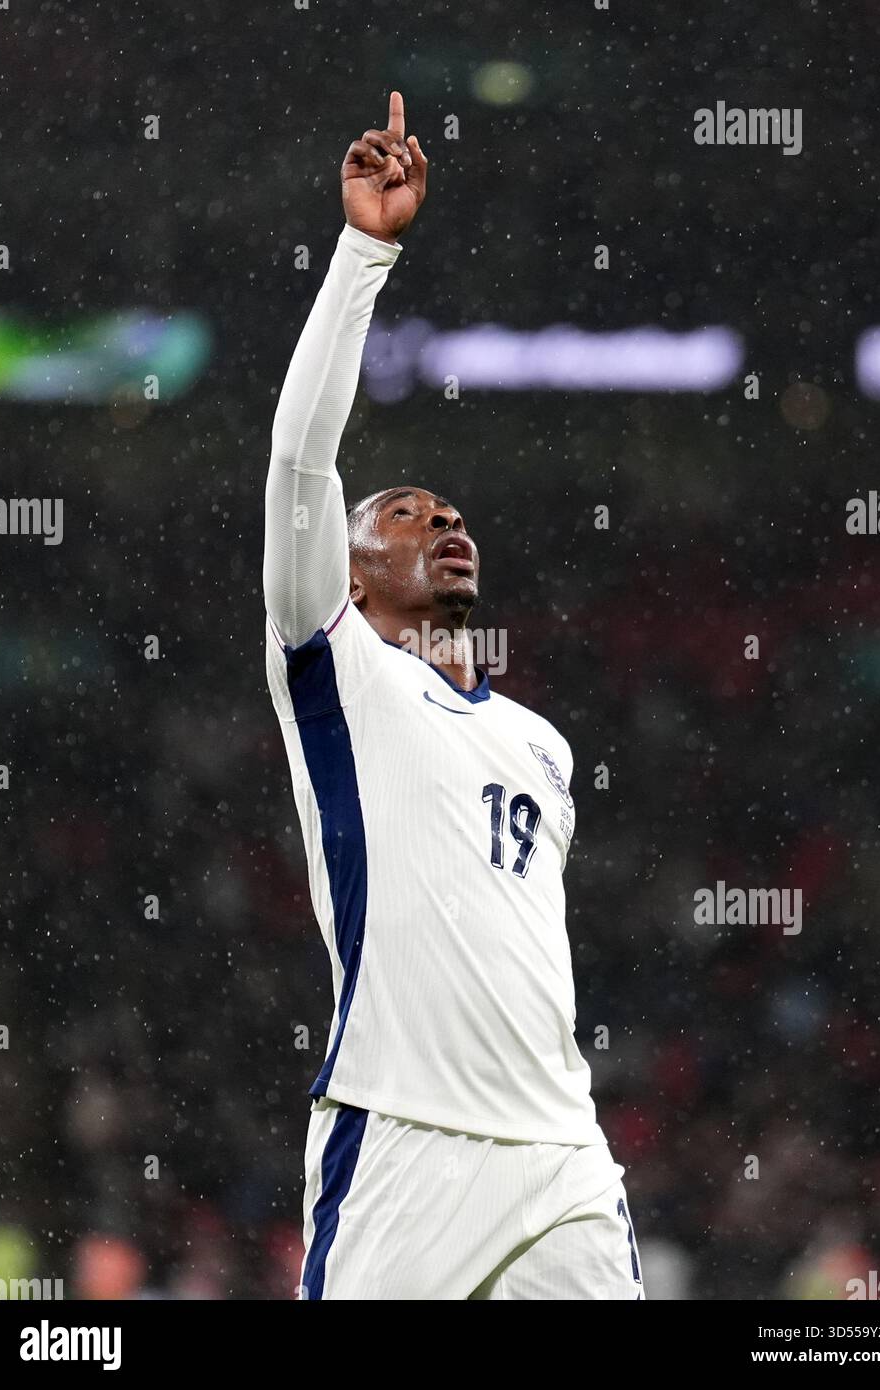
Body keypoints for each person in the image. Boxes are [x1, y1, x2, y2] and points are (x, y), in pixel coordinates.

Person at [263, 91, 643, 1301]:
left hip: (559, 1153)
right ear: (351, 567)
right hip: (402, 1141)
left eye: (459, 514)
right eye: (411, 514)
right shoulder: (336, 670)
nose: (449, 523)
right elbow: (301, 458)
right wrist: (366, 251)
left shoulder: (543, 744)